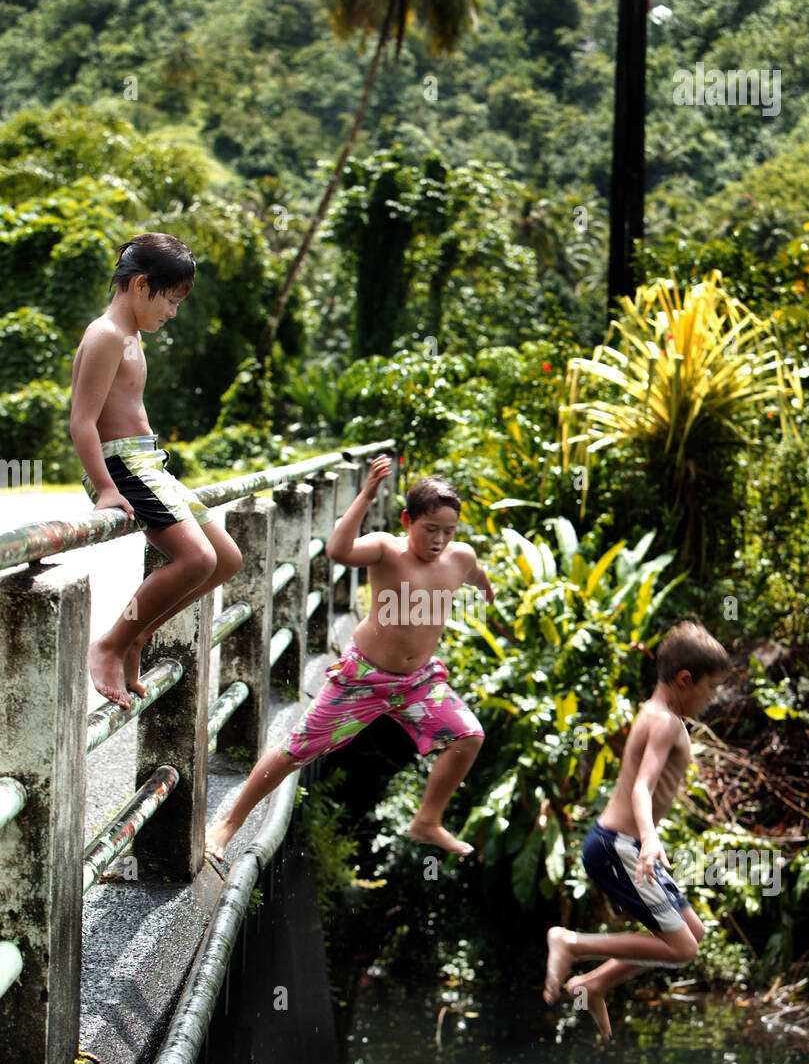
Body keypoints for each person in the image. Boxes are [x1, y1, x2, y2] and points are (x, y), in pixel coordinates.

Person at [205, 458, 493, 860]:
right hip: (364, 680)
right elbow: (339, 551)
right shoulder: (386, 549)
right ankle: (226, 825)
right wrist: (366, 495)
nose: (439, 540)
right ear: (407, 520)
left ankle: (427, 821)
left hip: (418, 682)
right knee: (295, 752)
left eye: (448, 531)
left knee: (468, 736)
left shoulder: (459, 556)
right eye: (430, 529)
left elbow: (475, 571)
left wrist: (486, 588)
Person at [70, 232, 242, 709]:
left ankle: (137, 634)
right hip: (123, 464)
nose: (173, 312)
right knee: (199, 560)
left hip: (148, 462)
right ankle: (110, 642)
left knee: (226, 559)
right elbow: (82, 421)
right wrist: (104, 488)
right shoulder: (105, 335)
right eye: (170, 299)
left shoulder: (129, 336)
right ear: (141, 285)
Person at [543, 621, 730, 1039]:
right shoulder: (666, 723)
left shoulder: (652, 711)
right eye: (710, 688)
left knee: (691, 933)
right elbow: (642, 788)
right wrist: (649, 838)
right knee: (683, 948)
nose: (711, 698)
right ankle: (571, 943)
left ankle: (596, 983)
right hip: (621, 846)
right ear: (685, 679)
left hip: (617, 845)